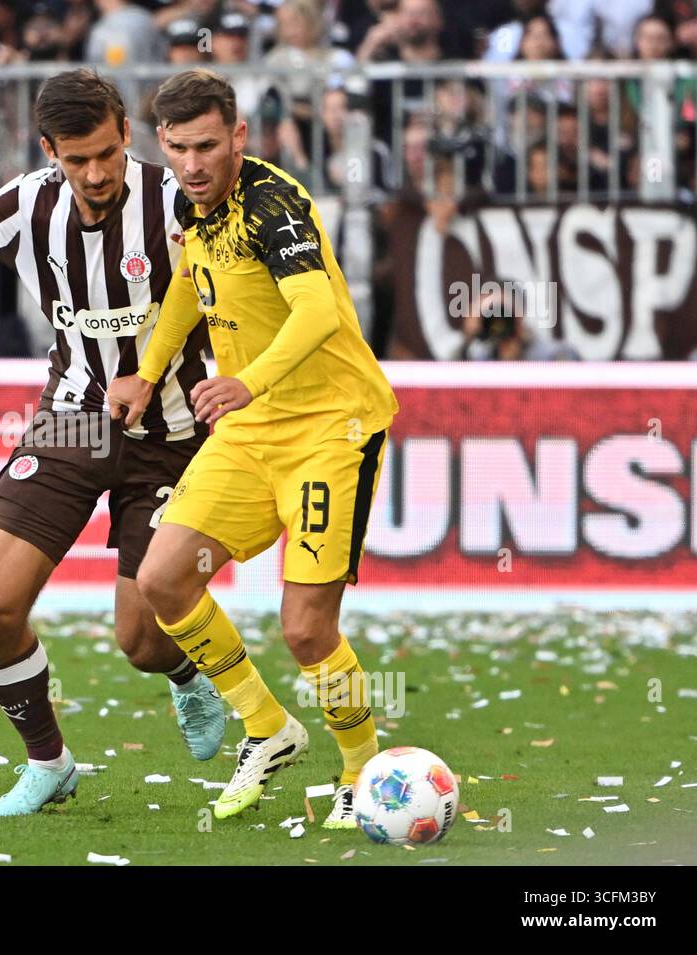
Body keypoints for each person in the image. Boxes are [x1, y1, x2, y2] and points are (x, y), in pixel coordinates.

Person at [0, 68, 226, 817]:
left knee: (141, 639)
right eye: (76, 160)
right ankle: (48, 760)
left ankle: (187, 677)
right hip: (72, 416)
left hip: (174, 434)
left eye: (105, 153)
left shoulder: (178, 201)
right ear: (49, 152)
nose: (95, 174)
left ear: (128, 135)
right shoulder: (28, 201)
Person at [107, 69, 398, 827]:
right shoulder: (190, 204)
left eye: (207, 145)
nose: (193, 165)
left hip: (332, 426)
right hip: (251, 433)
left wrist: (249, 382)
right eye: (177, 150)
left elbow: (317, 314)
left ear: (238, 135)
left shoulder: (275, 205)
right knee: (164, 580)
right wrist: (146, 371)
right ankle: (269, 728)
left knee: (306, 627)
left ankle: (363, 768)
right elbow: (184, 288)